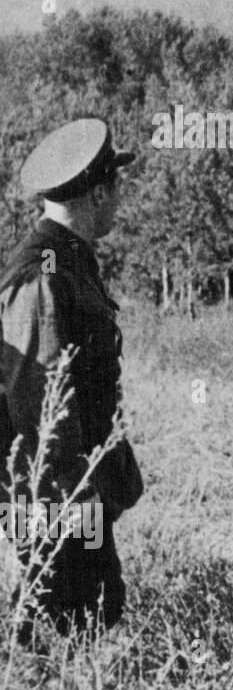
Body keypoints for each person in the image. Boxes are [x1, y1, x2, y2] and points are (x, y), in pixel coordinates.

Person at [0, 119, 143, 642]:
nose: (120, 200)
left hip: (70, 487)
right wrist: (69, 509)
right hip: (54, 497)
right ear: (100, 192)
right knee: (65, 619)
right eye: (117, 188)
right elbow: (40, 408)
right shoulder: (43, 274)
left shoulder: (68, 259)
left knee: (91, 611)